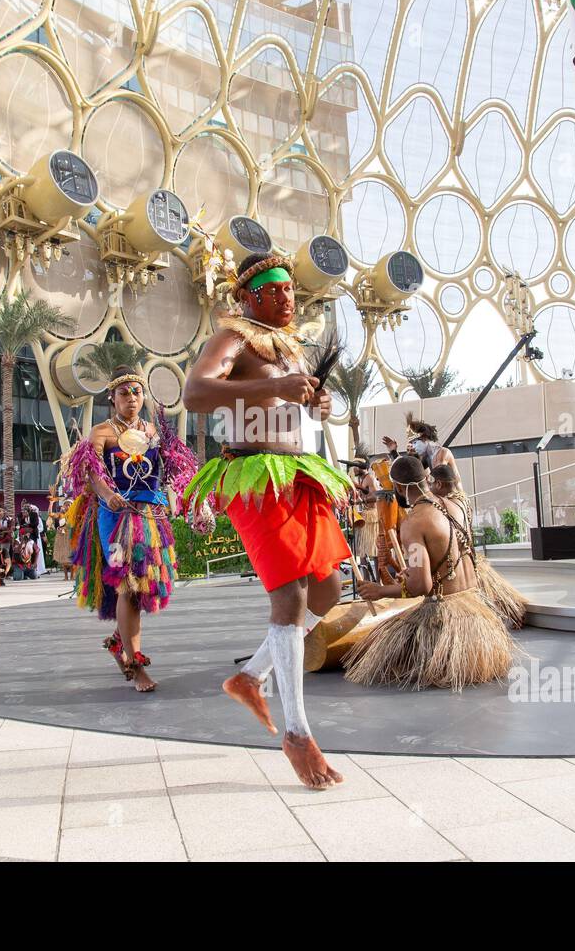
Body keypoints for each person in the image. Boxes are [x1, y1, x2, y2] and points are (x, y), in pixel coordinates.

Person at [183, 252, 351, 789]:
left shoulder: (289, 348)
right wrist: (267, 389)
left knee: (327, 591)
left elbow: (300, 406)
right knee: (291, 596)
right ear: (249, 297)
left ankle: (250, 676)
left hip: (299, 472)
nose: (287, 298)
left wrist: (316, 402)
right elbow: (196, 395)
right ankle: (298, 733)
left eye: (289, 290)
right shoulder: (231, 339)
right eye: (275, 291)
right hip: (252, 476)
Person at [62, 366, 199, 694]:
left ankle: (117, 642)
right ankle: (135, 666)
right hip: (115, 518)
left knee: (142, 587)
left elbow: (175, 469)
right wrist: (109, 495)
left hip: (150, 518)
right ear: (112, 398)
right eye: (124, 393)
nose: (132, 398)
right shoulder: (102, 433)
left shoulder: (153, 431)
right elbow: (91, 473)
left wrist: (192, 494)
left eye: (137, 392)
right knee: (128, 587)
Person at [347, 455, 517, 691]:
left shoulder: (414, 523)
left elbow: (421, 587)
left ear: (397, 487)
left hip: (445, 624)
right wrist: (413, 572)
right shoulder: (458, 505)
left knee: (371, 653)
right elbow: (449, 557)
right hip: (480, 619)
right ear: (427, 479)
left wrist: (381, 591)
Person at [383, 415, 459, 478]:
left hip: (453, 495)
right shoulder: (427, 457)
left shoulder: (441, 452)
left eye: (414, 442)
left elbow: (439, 482)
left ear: (424, 438)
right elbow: (409, 470)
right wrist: (394, 452)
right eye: (410, 442)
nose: (411, 445)